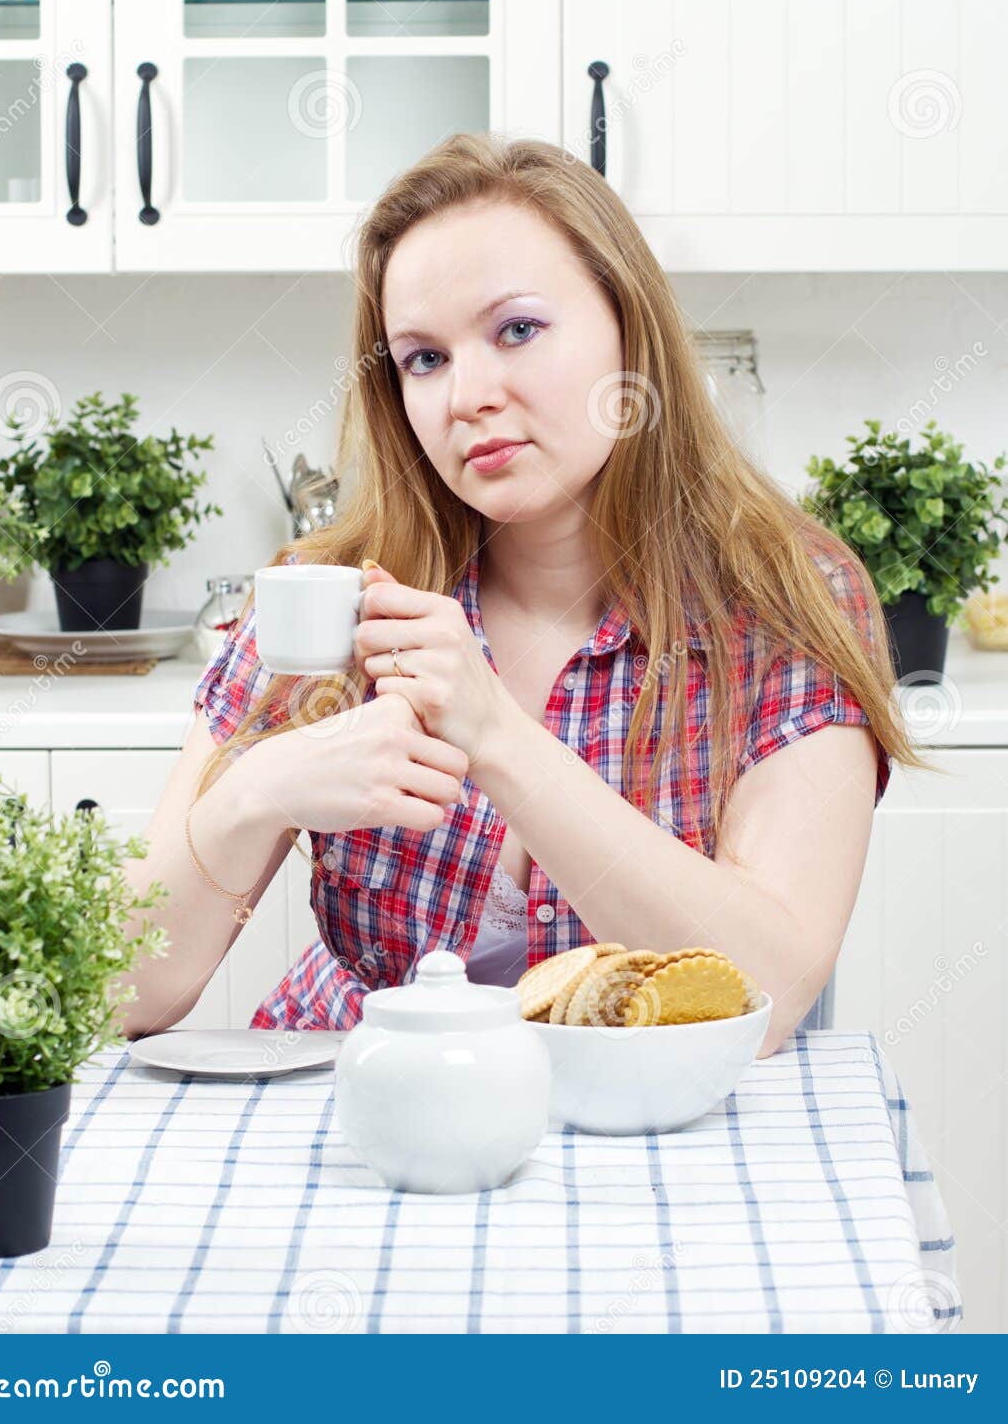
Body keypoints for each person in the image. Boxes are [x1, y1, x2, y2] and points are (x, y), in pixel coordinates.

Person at [120, 132, 926, 1057]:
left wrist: (494, 732)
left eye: (516, 330)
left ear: (628, 329)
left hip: (644, 1139)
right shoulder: (326, 600)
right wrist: (249, 796)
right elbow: (122, 991)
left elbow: (767, 996)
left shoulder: (781, 602)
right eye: (423, 359)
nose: (468, 395)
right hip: (358, 1114)